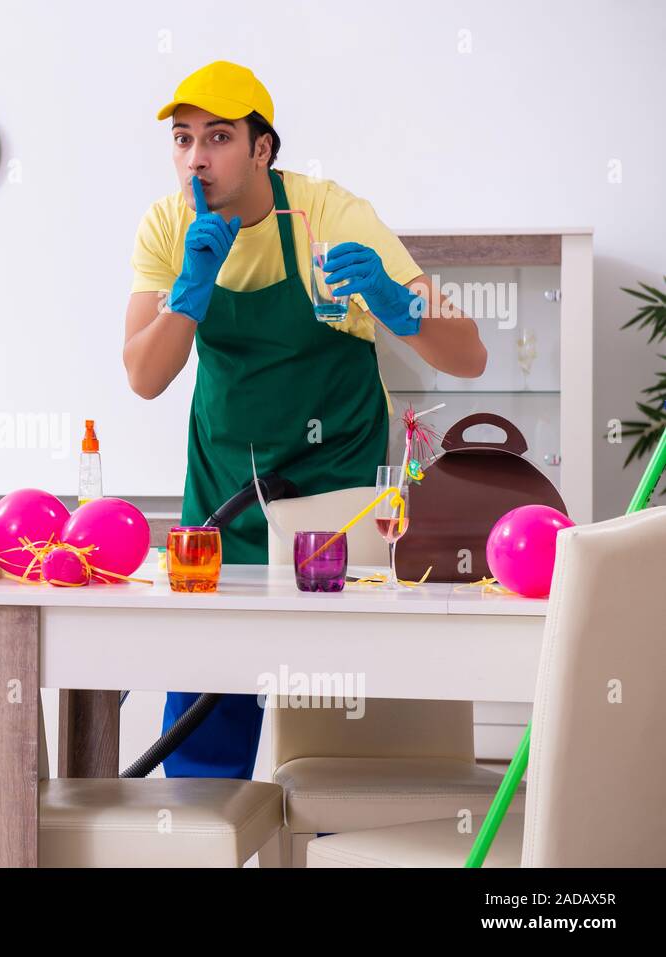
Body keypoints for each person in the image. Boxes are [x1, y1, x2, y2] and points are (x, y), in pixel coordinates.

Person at [124, 60, 486, 779]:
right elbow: (144, 375)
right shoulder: (168, 227)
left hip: (337, 518)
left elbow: (467, 353)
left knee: (339, 743)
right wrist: (189, 292)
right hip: (223, 505)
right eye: (183, 138)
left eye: (220, 137)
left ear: (263, 149)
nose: (196, 157)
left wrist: (391, 300)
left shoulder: (331, 215)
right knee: (203, 756)